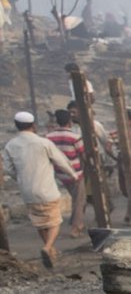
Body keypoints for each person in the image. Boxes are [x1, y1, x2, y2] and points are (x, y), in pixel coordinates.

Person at [3, 111, 77, 267]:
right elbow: (61, 161)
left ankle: (51, 251)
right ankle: (48, 246)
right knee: (55, 220)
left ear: (17, 126)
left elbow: (8, 169)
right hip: (47, 189)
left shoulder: (10, 145)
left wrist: (21, 178)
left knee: (40, 222)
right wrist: (73, 174)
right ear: (33, 126)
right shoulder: (43, 142)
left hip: (27, 191)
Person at [43, 110, 86, 237]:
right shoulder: (74, 136)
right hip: (75, 172)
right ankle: (76, 228)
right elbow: (82, 154)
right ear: (70, 122)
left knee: (75, 198)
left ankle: (75, 222)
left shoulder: (49, 137)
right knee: (79, 200)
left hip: (59, 173)